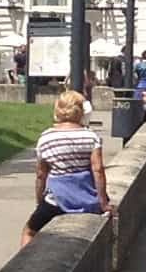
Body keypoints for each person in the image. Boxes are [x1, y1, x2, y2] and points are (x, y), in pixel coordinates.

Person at [21, 91, 112, 247]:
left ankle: (23, 266)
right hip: (86, 200)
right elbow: (98, 170)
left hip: (56, 201)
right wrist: (103, 202)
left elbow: (41, 175)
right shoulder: (90, 137)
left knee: (29, 231)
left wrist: (39, 201)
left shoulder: (46, 138)